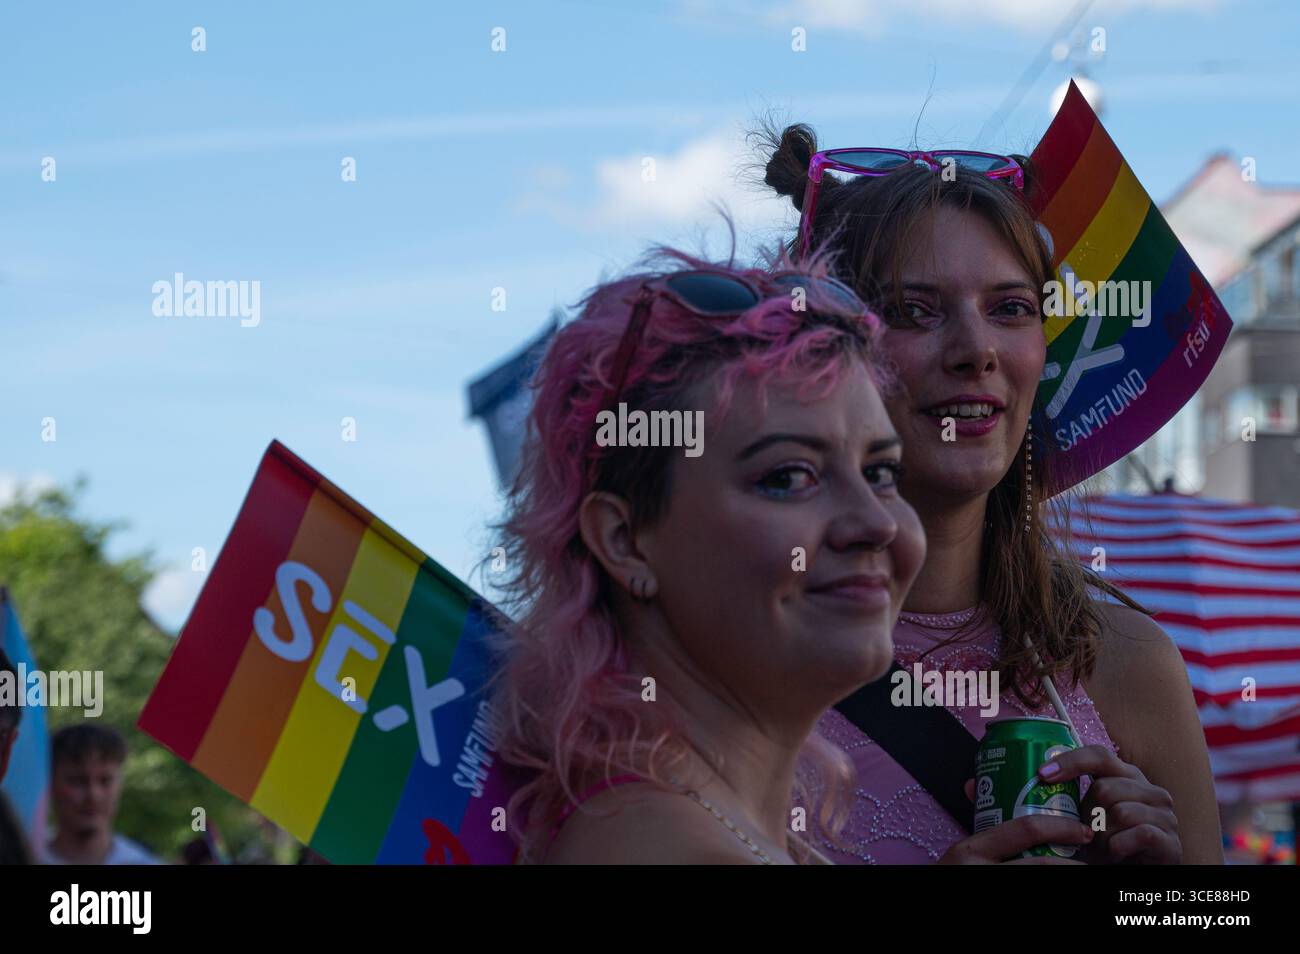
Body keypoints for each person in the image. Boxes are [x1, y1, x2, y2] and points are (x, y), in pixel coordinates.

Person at [761, 125, 1222, 864]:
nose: (977, 349)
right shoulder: (732, 661)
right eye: (915, 310)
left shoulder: (1126, 664)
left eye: (1010, 308)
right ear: (823, 355)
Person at [42, 724, 160, 864]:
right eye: (78, 781)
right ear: (51, 783)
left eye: (105, 781)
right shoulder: (24, 857)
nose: (93, 795)